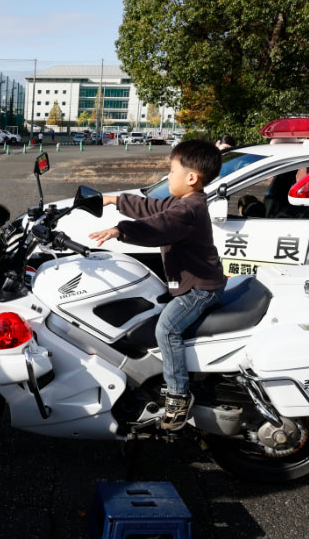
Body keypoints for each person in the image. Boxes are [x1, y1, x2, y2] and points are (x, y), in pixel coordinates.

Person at [89, 140, 227, 428]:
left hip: (200, 288)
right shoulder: (183, 200)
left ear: (191, 177)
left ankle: (178, 396)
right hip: (189, 282)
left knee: (167, 329)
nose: (168, 175)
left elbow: (158, 226)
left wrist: (120, 230)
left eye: (171, 170)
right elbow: (152, 207)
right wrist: (114, 199)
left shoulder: (189, 209)